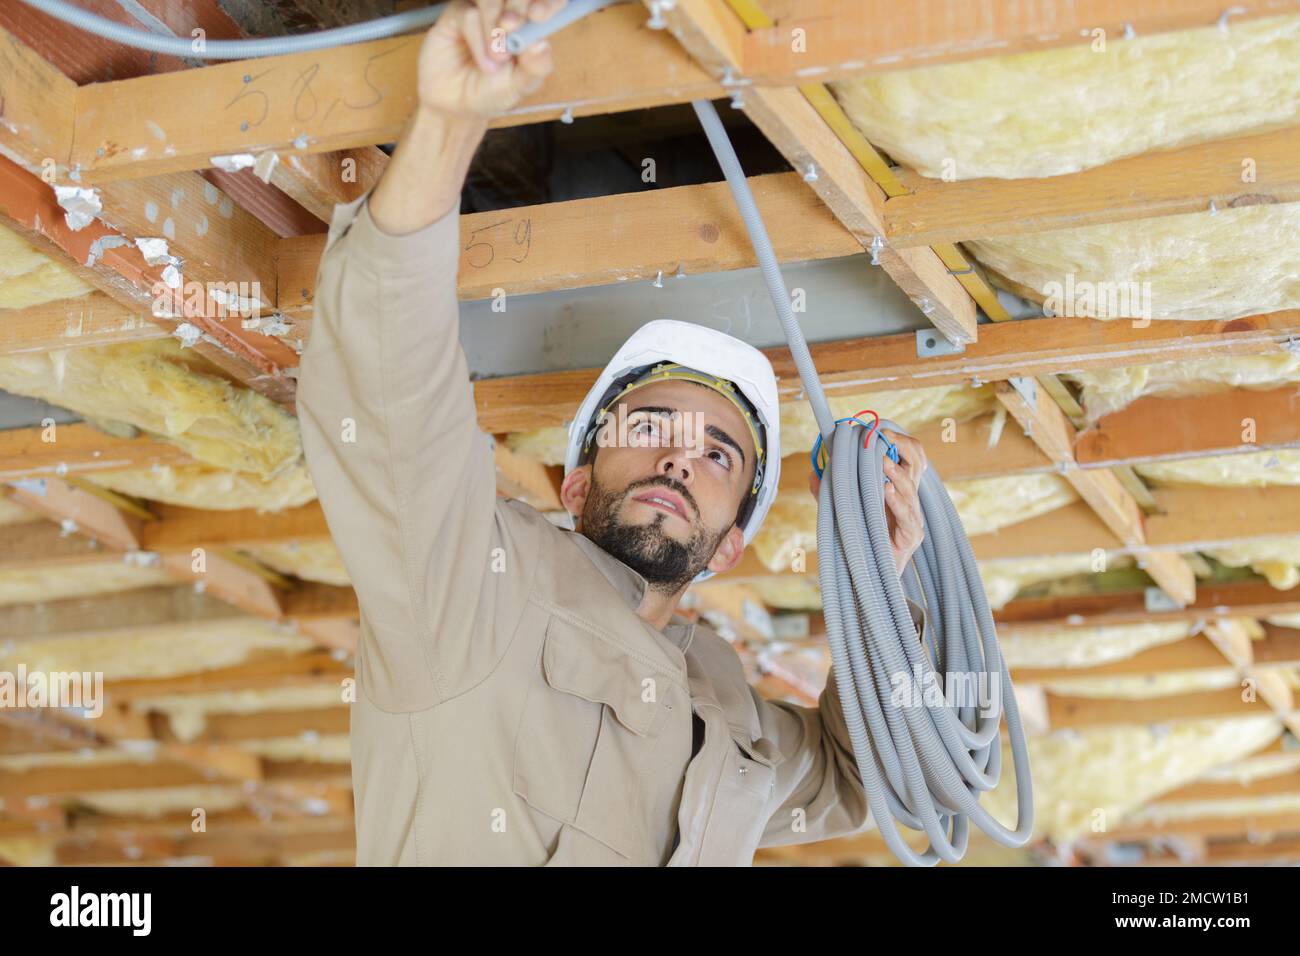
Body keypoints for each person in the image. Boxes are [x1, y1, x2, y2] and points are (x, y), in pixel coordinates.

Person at [296, 0, 930, 866]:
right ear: (574, 483)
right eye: (649, 426)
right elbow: (385, 397)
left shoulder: (729, 714)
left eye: (718, 454)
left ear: (730, 545)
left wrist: (878, 590)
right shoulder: (477, 590)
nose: (678, 454)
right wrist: (448, 124)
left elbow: (869, 783)